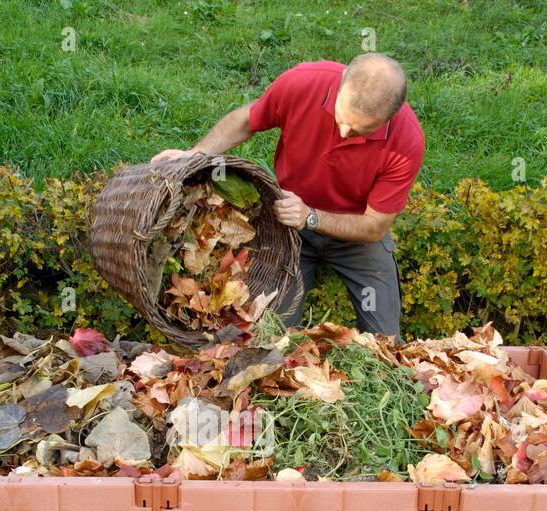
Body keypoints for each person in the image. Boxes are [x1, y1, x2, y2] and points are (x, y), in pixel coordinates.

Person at [152, 53, 425, 338]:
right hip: (288, 223)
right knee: (272, 333)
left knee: (385, 338)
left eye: (359, 129)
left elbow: (373, 227)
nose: (344, 132)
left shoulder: (406, 142)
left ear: (390, 117)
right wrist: (195, 155)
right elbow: (248, 120)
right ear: (341, 82)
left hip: (355, 234)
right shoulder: (303, 83)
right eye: (341, 118)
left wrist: (311, 217)